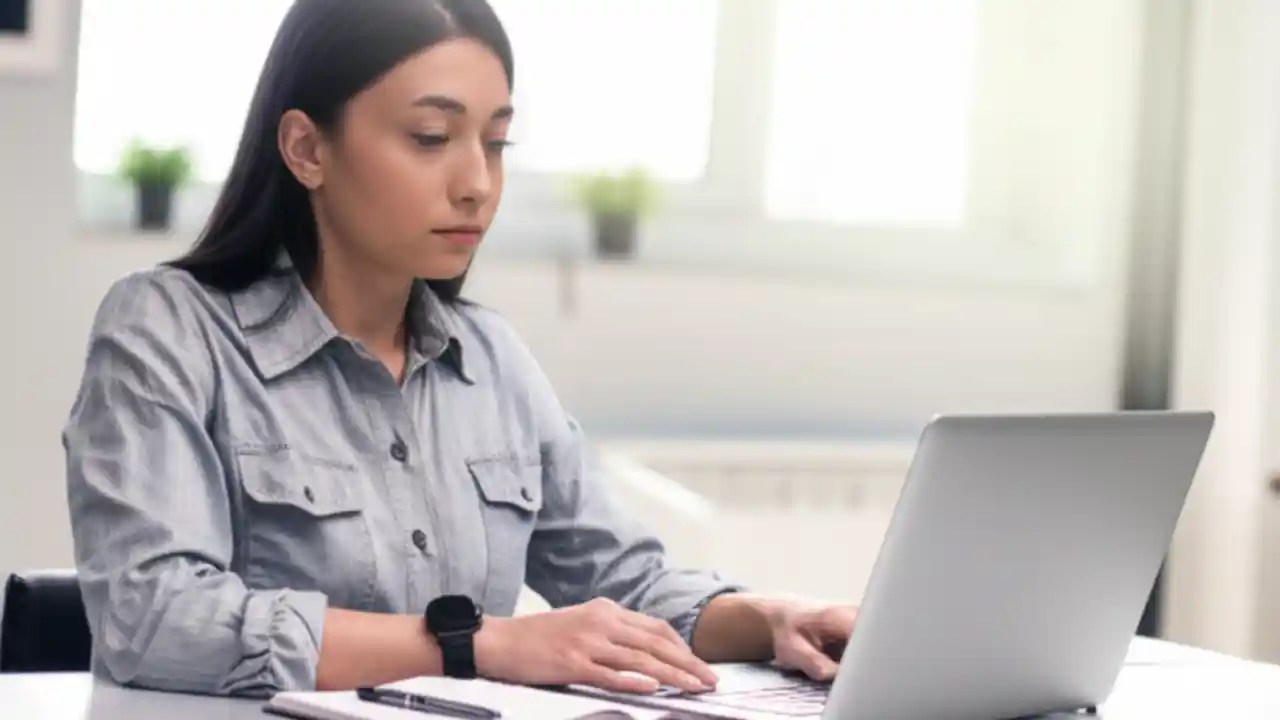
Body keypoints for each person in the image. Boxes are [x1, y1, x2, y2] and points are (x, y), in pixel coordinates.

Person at [63, 0, 855, 698]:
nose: (477, 181)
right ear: (306, 149)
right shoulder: (166, 330)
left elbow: (628, 582)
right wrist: (475, 644)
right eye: (431, 136)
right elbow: (155, 617)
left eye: (497, 142)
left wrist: (775, 618)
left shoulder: (493, 359)